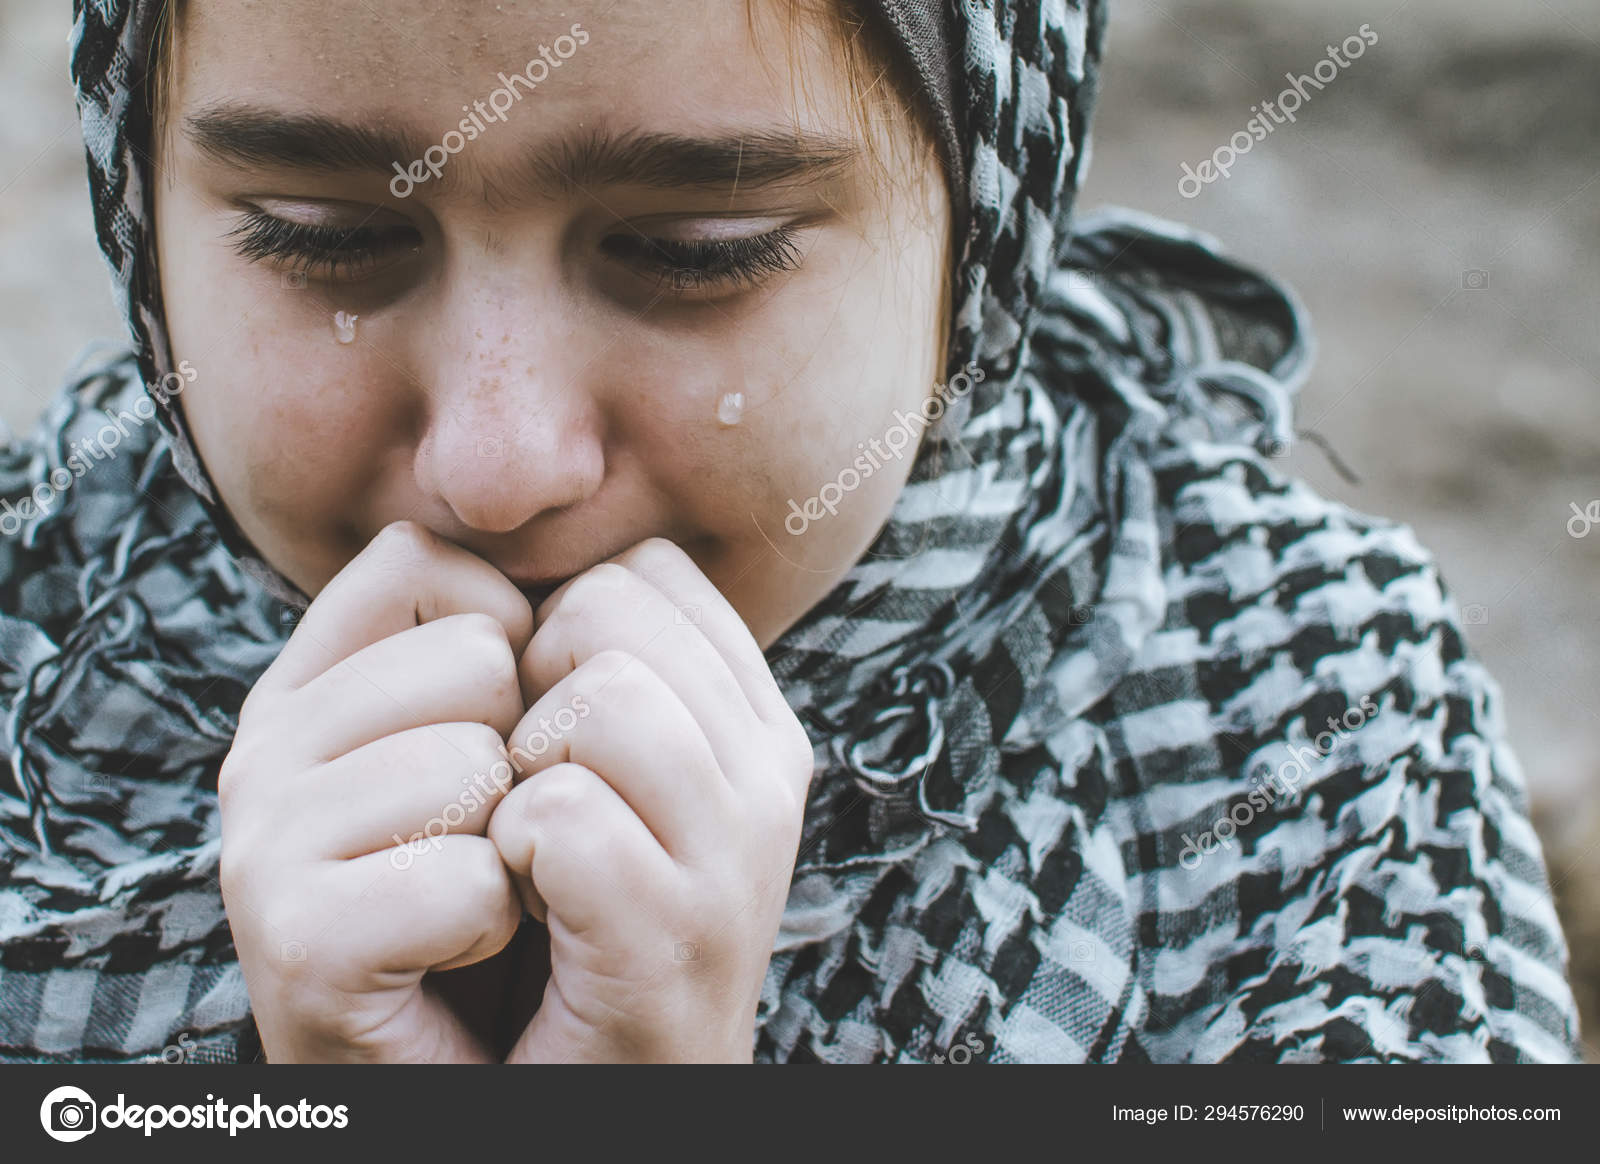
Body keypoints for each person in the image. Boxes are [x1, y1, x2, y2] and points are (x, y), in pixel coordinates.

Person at [0, 0, 1579, 1063]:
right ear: (139, 208)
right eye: (324, 238)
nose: (497, 463)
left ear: (986, 235)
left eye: (696, 251)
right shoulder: (29, 664)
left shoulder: (1307, 729)